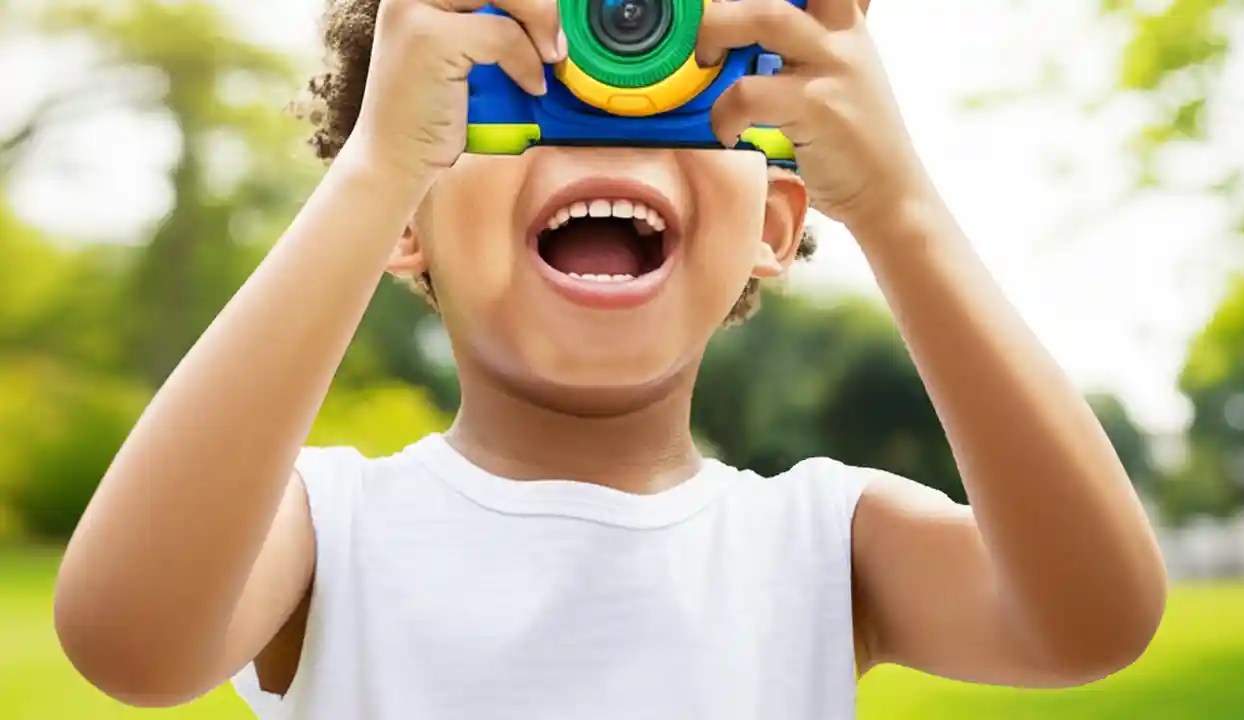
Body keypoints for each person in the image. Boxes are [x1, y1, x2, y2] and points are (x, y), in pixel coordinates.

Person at [53, 0, 1168, 717]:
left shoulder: (824, 543)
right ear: (401, 217)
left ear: (776, 224)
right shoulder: (324, 529)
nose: (611, 118)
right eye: (522, 93)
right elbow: (130, 646)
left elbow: (1088, 622)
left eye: (682, 91)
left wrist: (901, 210)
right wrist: (370, 169)